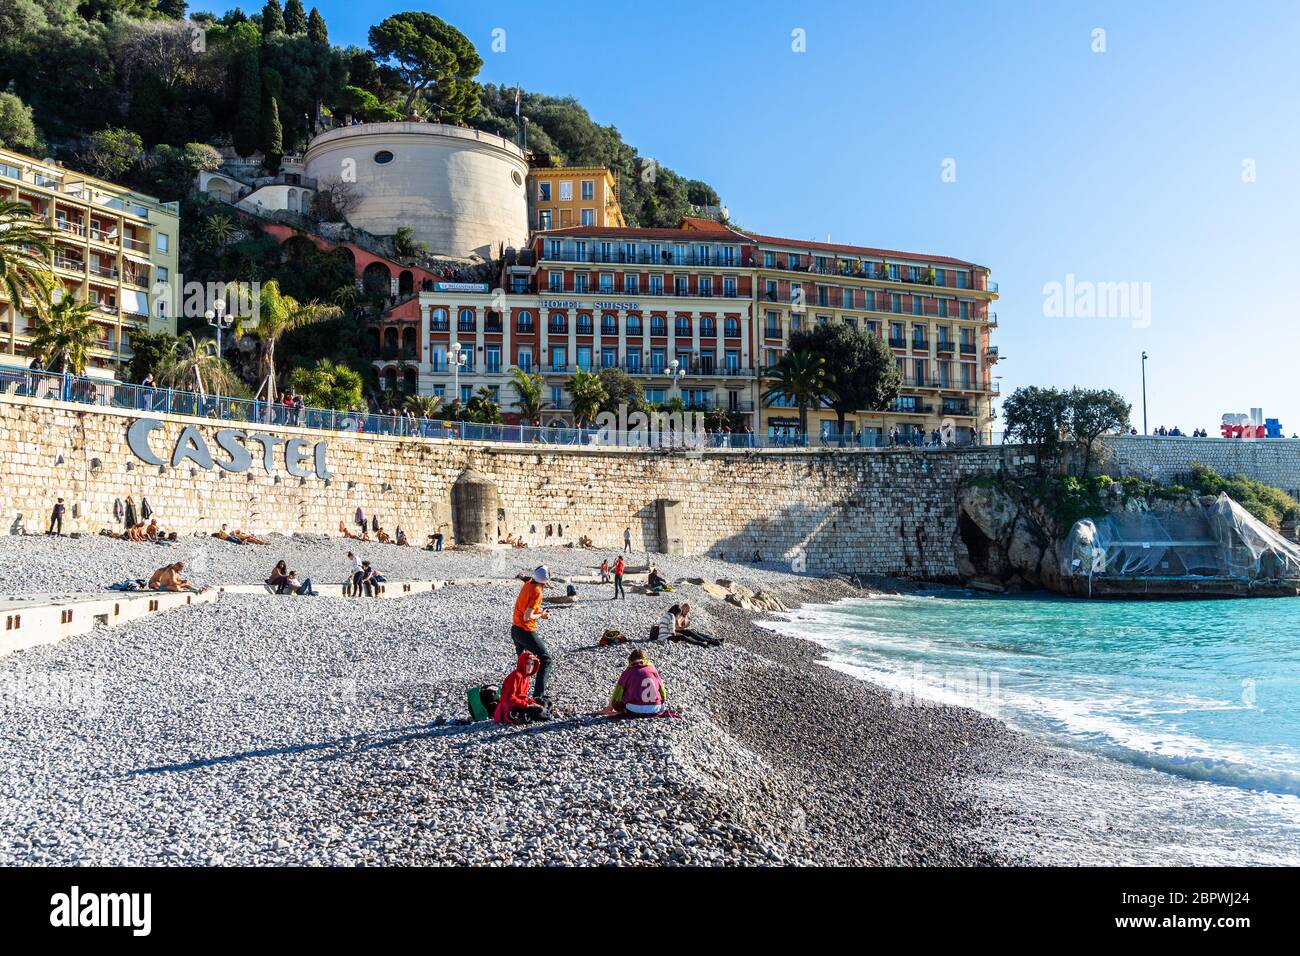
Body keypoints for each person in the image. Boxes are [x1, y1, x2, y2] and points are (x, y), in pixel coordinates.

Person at [510, 567, 553, 703]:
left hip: (515, 629)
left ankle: (517, 694)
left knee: (523, 665)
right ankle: (538, 696)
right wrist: (542, 614)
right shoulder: (537, 592)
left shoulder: (529, 583)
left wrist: (523, 577)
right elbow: (528, 616)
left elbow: (528, 578)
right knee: (546, 660)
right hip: (525, 631)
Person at [598, 648, 667, 718]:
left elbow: (617, 694)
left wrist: (617, 707)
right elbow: (663, 694)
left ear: (630, 660)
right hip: (655, 709)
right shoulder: (653, 670)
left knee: (624, 692)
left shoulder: (628, 671)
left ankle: (608, 709)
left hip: (634, 710)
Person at [493, 651, 548, 725]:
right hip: (508, 707)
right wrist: (527, 705)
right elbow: (510, 698)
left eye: (532, 664)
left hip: (519, 703)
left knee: (543, 701)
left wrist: (531, 702)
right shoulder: (516, 676)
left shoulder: (526, 676)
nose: (530, 666)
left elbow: (522, 696)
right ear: (522, 663)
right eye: (527, 663)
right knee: (526, 713)